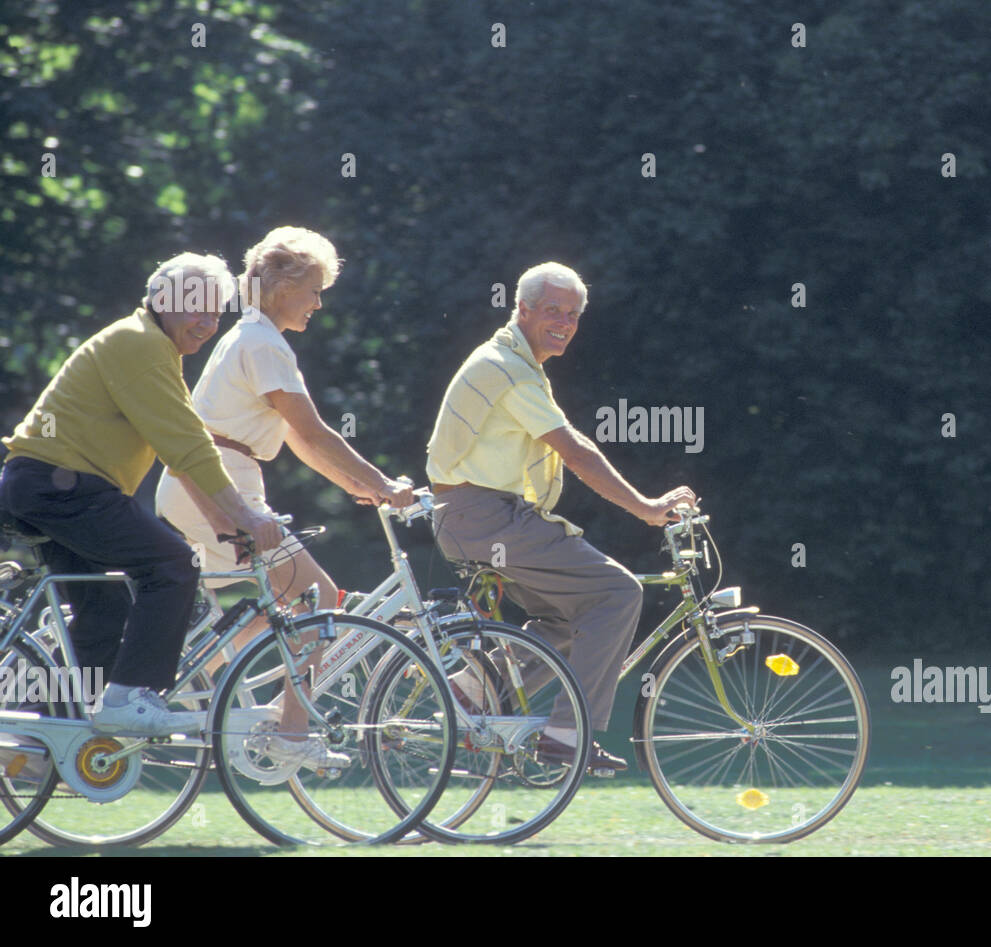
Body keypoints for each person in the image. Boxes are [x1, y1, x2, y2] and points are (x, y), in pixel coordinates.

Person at [155, 226, 413, 770]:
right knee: (316, 595)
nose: (319, 303)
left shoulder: (251, 337)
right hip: (220, 485)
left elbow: (301, 442)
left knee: (282, 605)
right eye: (313, 290)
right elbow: (315, 433)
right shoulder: (264, 343)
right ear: (279, 286)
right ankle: (291, 732)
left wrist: (364, 487)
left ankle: (211, 677)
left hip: (208, 482)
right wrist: (385, 487)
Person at [427, 261, 696, 773]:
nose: (565, 322)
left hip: (473, 518)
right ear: (522, 309)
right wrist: (646, 508)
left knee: (568, 614)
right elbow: (575, 450)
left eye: (573, 314)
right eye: (553, 310)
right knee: (618, 593)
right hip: (486, 518)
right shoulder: (508, 370)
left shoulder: (512, 362)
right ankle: (568, 734)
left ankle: (472, 688)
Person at [0, 253, 282, 739]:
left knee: (105, 611)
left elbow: (180, 450)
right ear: (161, 299)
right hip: (64, 487)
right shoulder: (142, 345)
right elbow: (190, 446)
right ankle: (131, 697)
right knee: (174, 565)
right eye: (198, 308)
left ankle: (34, 737)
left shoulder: (152, 348)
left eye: (216, 313)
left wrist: (224, 523)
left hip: (47, 488)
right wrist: (246, 516)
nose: (208, 323)